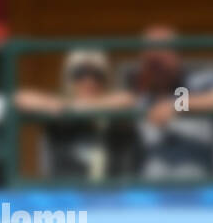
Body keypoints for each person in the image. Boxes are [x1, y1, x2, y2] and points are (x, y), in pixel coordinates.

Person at [127, 25, 213, 180]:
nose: (156, 68)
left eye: (161, 59)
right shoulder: (142, 96)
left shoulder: (200, 81)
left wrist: (178, 105)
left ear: (175, 55)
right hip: (152, 196)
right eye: (151, 62)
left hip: (196, 193)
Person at [13, 48, 136, 180]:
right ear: (68, 77)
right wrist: (63, 106)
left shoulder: (114, 106)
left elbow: (128, 100)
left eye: (97, 74)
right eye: (80, 73)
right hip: (65, 196)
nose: (89, 81)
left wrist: (81, 108)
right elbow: (19, 98)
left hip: (109, 196)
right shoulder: (57, 106)